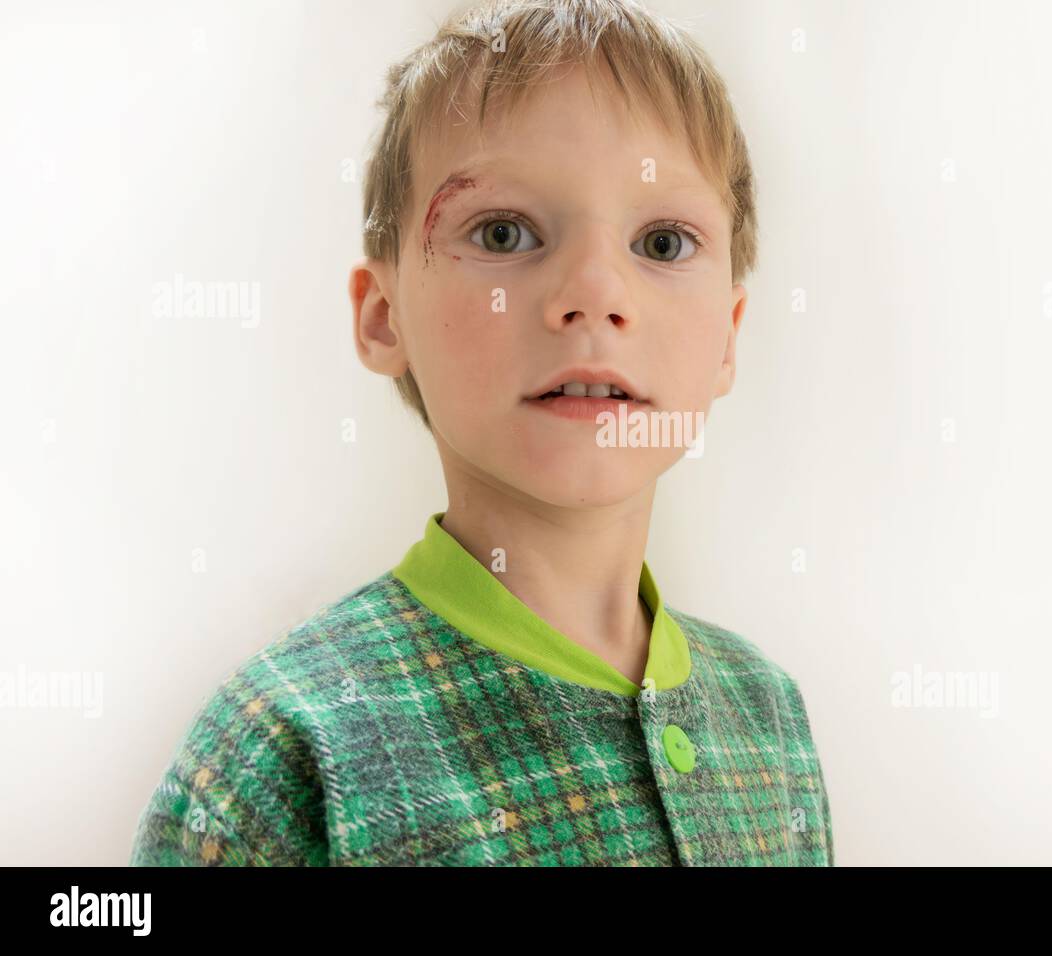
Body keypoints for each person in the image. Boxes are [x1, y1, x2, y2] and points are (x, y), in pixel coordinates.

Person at [129, 0, 832, 866]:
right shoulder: (280, 753)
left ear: (728, 337)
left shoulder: (773, 715)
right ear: (385, 317)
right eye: (505, 232)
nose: (595, 292)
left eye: (662, 240)